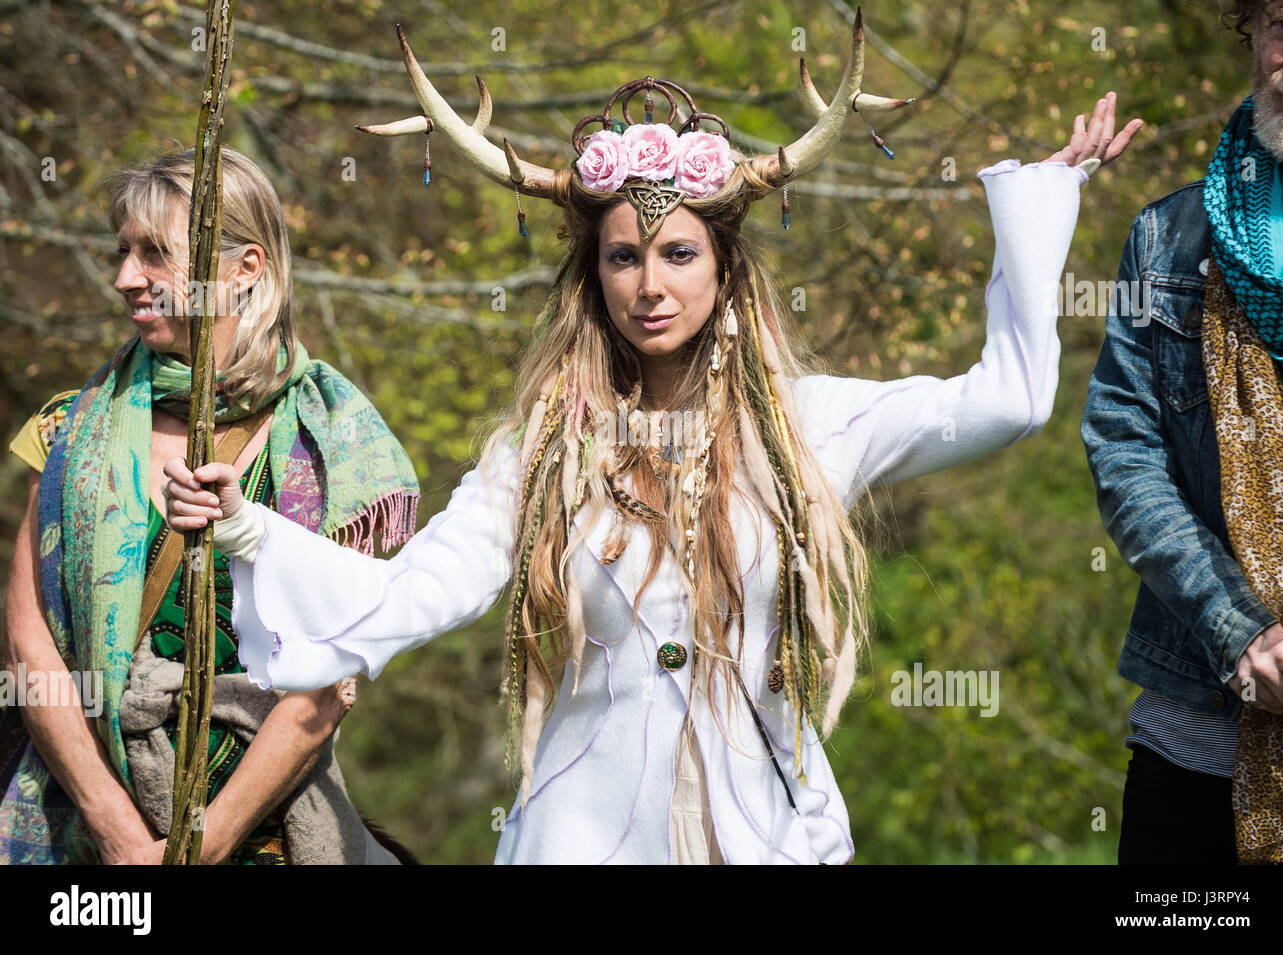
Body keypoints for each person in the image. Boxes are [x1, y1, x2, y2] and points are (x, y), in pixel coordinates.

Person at [164, 18, 1139, 863]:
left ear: (723, 266)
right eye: (623, 258)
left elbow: (1010, 398)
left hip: (767, 832)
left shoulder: (808, 423)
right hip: (579, 840)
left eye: (677, 254)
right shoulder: (540, 447)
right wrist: (249, 528)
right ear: (595, 276)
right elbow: (419, 591)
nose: (648, 284)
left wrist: (1042, 199)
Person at [1, 147, 418, 864]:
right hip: (83, 831)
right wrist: (117, 830)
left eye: (156, 254)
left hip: (261, 834)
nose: (126, 277)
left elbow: (329, 676)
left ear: (246, 267)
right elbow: (26, 646)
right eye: (123, 251)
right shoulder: (68, 431)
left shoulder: (328, 442)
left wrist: (208, 840)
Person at [1082, 0, 1283, 865]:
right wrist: (1246, 632)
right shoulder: (1166, 243)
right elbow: (1124, 453)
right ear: (1249, 33)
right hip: (1199, 736)